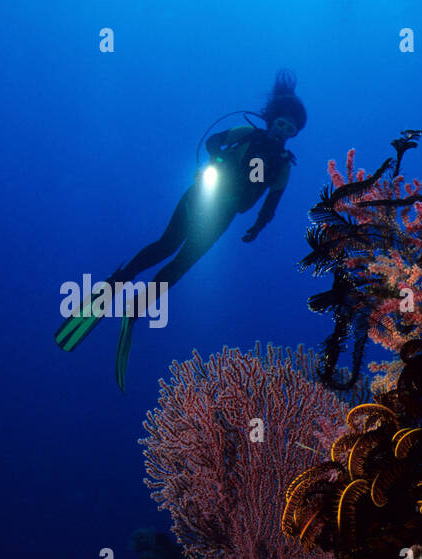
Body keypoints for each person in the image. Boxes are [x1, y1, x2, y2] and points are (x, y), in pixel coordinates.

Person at [55, 71, 306, 391]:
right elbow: (214, 141)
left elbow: (271, 205)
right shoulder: (246, 133)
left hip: (223, 215)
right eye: (282, 122)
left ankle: (137, 307)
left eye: (291, 128)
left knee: (182, 264)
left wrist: (256, 228)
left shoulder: (283, 166)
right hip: (201, 197)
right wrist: (216, 161)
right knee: (166, 245)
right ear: (272, 120)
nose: (284, 129)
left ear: (295, 133)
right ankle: (117, 283)